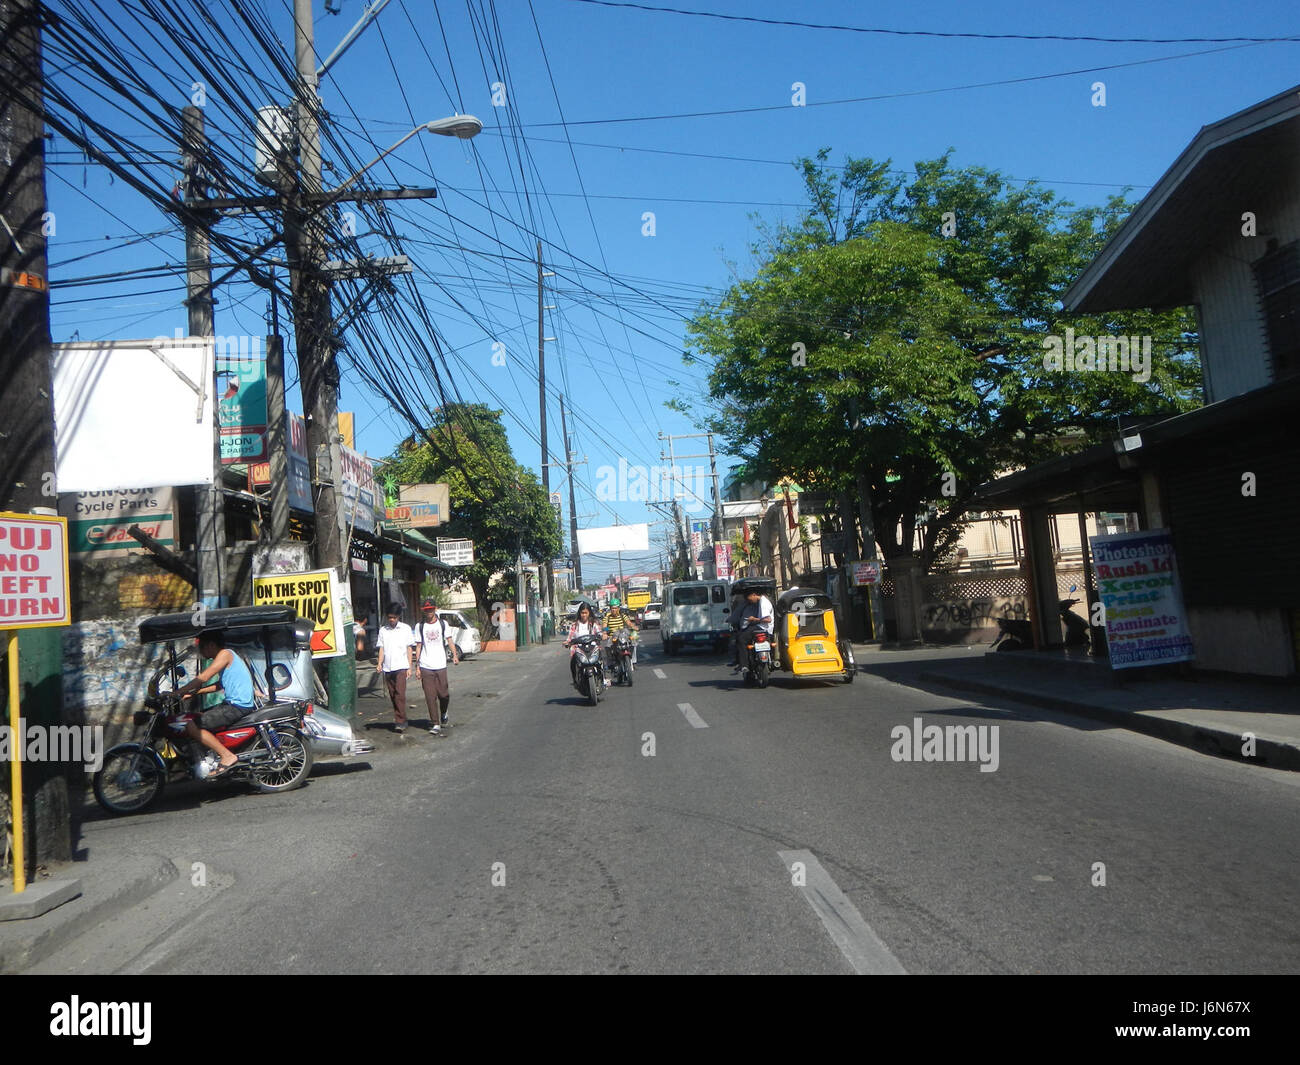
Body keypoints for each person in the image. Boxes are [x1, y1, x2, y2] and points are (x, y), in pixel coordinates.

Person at [177, 630, 255, 776]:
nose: (201, 652)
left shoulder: (225, 654)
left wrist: (178, 692)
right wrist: (195, 692)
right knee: (196, 716)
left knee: (191, 724)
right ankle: (206, 757)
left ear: (211, 645)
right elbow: (220, 685)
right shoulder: (225, 656)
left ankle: (227, 756)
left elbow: (205, 677)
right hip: (231, 704)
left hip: (236, 706)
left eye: (202, 648)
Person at [415, 599, 460, 735]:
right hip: (425, 665)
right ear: (424, 610)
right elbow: (418, 646)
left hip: (440, 664)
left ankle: (444, 712)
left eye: (431, 609)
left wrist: (454, 654)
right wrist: (417, 666)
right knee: (430, 696)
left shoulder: (442, 624)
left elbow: (449, 640)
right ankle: (435, 723)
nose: (429, 612)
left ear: (435, 609)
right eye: (427, 610)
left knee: (443, 694)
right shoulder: (420, 626)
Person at [375, 607, 417, 733]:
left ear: (398, 617)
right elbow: (381, 648)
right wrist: (379, 663)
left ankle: (400, 721)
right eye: (390, 617)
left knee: (400, 694)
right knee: (393, 695)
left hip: (401, 666)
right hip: (388, 667)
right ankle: (402, 717)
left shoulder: (405, 629)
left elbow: (409, 648)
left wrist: (410, 666)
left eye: (394, 617)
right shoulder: (383, 630)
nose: (392, 620)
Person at [733, 587, 775, 672]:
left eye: (749, 598)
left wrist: (754, 619)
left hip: (763, 628)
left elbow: (768, 619)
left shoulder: (764, 603)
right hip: (762, 627)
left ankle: (744, 665)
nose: (750, 601)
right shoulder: (761, 601)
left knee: (741, 639)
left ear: (754, 595)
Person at [563, 603, 602, 689]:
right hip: (579, 649)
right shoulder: (575, 625)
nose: (584, 615)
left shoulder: (594, 623)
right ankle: (575, 680)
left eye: (586, 613)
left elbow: (599, 633)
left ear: (589, 613)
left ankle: (603, 677)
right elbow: (570, 636)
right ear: (579, 613)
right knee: (573, 662)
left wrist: (603, 635)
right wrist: (567, 642)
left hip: (593, 648)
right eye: (582, 613)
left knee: (601, 661)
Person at [602, 597, 640, 670]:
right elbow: (604, 626)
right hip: (613, 637)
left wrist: (634, 627)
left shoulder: (623, 616)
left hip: (623, 635)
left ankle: (633, 662)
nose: (614, 610)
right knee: (607, 646)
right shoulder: (607, 618)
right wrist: (605, 633)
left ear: (619, 608)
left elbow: (629, 623)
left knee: (633, 643)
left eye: (616, 608)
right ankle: (610, 663)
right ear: (610, 608)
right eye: (612, 608)